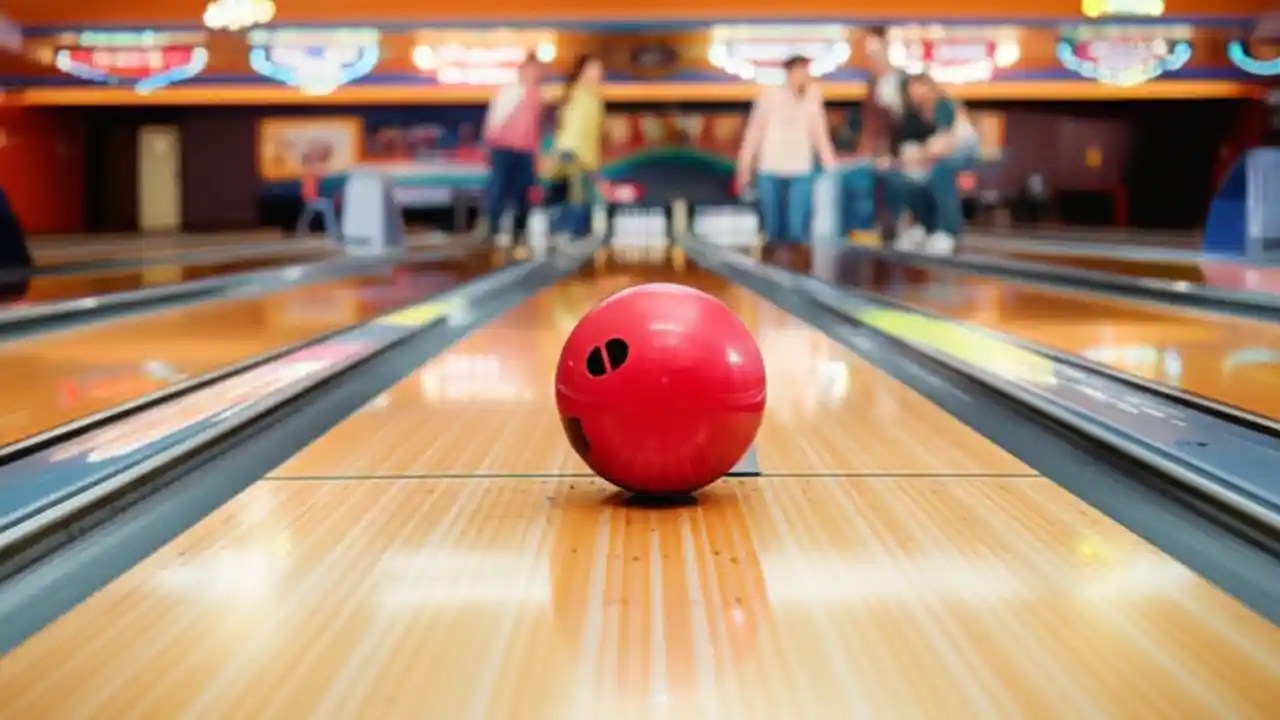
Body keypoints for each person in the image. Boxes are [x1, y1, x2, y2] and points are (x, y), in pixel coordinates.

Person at [736, 55, 838, 245]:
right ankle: (772, 270)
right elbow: (753, 134)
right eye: (800, 71)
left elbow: (820, 137)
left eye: (806, 71)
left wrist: (833, 170)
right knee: (772, 230)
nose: (804, 76)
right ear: (789, 73)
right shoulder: (769, 96)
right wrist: (744, 166)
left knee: (797, 230)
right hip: (770, 171)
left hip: (801, 171)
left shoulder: (813, 97)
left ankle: (797, 269)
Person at [904, 73, 980, 254]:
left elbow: (946, 141)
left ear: (929, 87)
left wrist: (922, 156)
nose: (915, 94)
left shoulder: (943, 105)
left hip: (963, 150)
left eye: (918, 88)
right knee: (912, 179)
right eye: (911, 91)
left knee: (940, 173)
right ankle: (926, 227)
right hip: (943, 153)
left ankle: (948, 231)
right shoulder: (917, 114)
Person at [480, 53, 545, 245]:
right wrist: (487, 145)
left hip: (525, 151)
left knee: (524, 192)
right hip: (504, 149)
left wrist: (537, 152)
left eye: (536, 71)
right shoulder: (510, 91)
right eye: (528, 70)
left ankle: (519, 232)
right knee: (499, 189)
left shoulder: (539, 96)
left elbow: (536, 128)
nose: (532, 74)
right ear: (522, 71)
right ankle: (492, 230)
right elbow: (494, 119)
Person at [548, 54, 605, 240]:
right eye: (593, 68)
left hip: (578, 155)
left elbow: (590, 134)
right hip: (573, 154)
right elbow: (574, 129)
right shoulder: (580, 94)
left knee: (577, 197)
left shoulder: (587, 95)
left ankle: (567, 235)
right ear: (582, 70)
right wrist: (566, 153)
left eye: (600, 69)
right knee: (577, 198)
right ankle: (569, 236)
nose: (598, 73)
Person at [295, 146, 338, 239]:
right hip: (310, 199)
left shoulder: (311, 169)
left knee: (309, 214)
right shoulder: (310, 169)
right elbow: (324, 172)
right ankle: (332, 231)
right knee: (327, 205)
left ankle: (302, 229)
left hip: (313, 198)